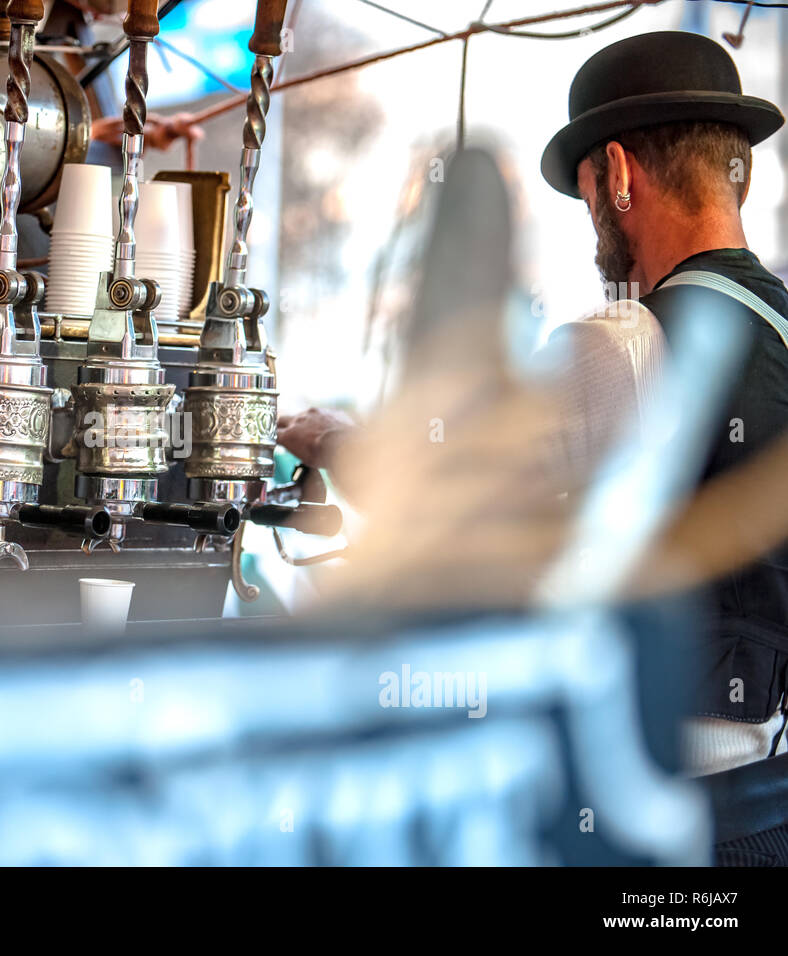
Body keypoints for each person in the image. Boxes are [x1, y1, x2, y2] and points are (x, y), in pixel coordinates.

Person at [282, 32, 788, 802]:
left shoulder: (625, 344)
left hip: (656, 800)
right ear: (738, 180)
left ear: (616, 173)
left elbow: (440, 492)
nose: (590, 217)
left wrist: (333, 441)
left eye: (585, 189)